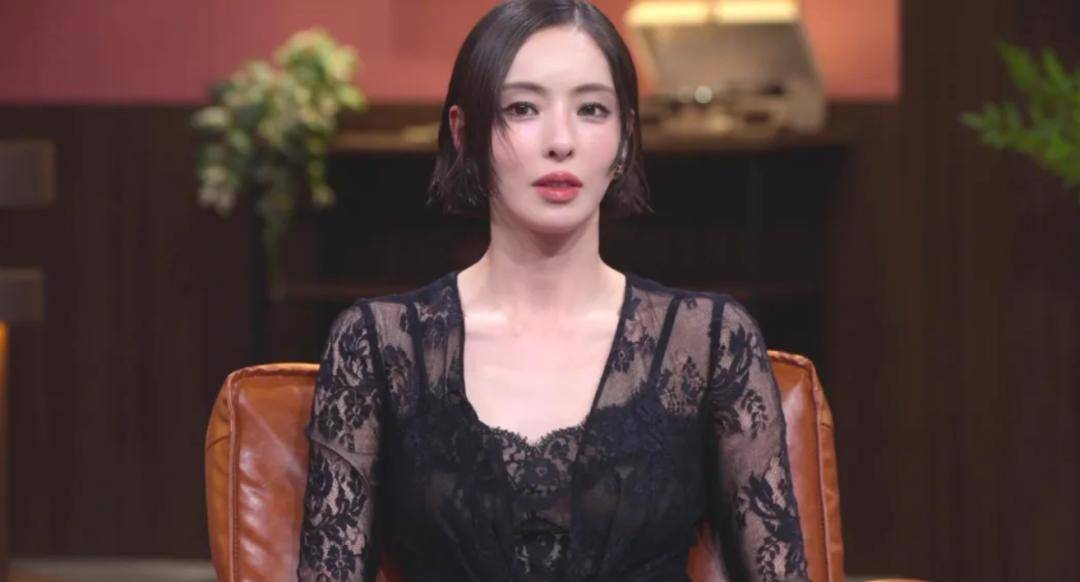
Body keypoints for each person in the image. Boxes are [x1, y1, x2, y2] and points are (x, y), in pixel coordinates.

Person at [297, 1, 809, 580]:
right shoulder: (377, 346)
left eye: (591, 109)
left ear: (625, 138)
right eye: (523, 108)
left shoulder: (710, 342)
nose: (561, 141)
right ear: (463, 133)